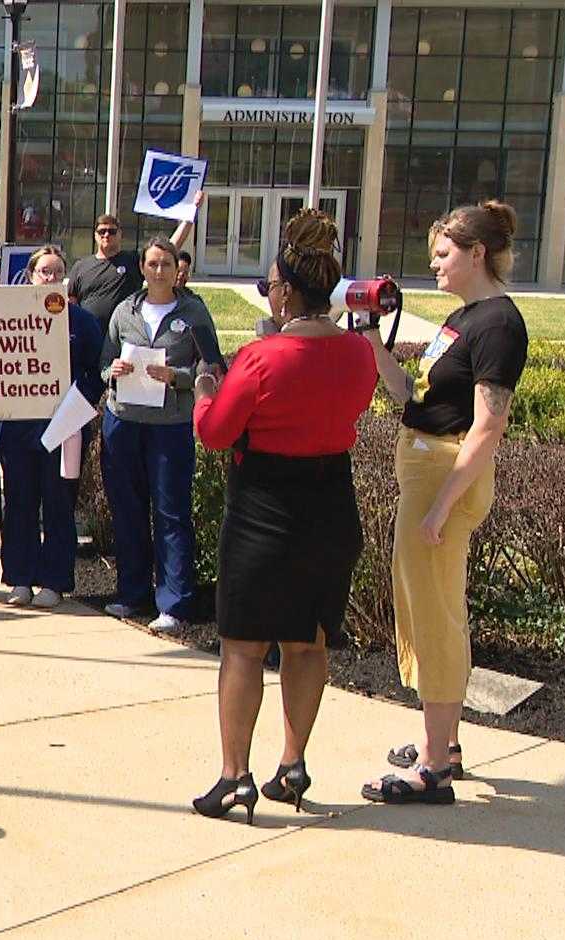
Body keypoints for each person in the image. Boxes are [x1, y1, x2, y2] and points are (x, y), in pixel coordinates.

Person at [188, 209, 377, 823]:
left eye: (271, 283)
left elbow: (216, 434)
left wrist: (203, 392)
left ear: (287, 290)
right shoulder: (359, 355)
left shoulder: (262, 358)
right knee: (308, 641)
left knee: (243, 649)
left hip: (264, 507)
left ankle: (233, 776)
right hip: (331, 505)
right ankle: (292, 766)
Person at [362, 201, 528, 806]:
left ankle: (432, 767)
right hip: (427, 470)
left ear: (476, 254)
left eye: (443, 253)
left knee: (433, 617)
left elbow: (488, 426)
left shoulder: (499, 325)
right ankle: (445, 742)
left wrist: (440, 509)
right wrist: (374, 346)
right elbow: (412, 391)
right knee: (429, 607)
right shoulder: (464, 318)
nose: (433, 263)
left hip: (442, 477)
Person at [99, 237, 225, 632]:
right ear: (142, 267)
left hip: (168, 427)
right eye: (152, 264)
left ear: (177, 269)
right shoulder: (124, 311)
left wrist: (179, 376)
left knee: (171, 512)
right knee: (128, 509)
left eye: (166, 264)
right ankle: (132, 594)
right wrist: (112, 373)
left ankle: (174, 602)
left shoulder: (194, 312)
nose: (159, 271)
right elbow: (103, 363)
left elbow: (213, 365)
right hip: (123, 422)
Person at [0, 245, 106, 607]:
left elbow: (97, 373)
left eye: (58, 271)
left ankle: (54, 582)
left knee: (59, 506)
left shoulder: (81, 322)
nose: (51, 277)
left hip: (64, 429)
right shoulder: (6, 315)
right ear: (30, 276)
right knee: (19, 504)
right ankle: (20, 580)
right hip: (17, 429)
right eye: (44, 271)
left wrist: (78, 401)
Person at [71, 214, 144, 329]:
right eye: (102, 231)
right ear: (95, 235)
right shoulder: (80, 266)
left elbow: (164, 253)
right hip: (89, 334)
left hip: (124, 332)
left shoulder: (133, 260)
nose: (106, 235)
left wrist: (184, 221)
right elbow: (71, 303)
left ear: (120, 234)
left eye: (112, 231)